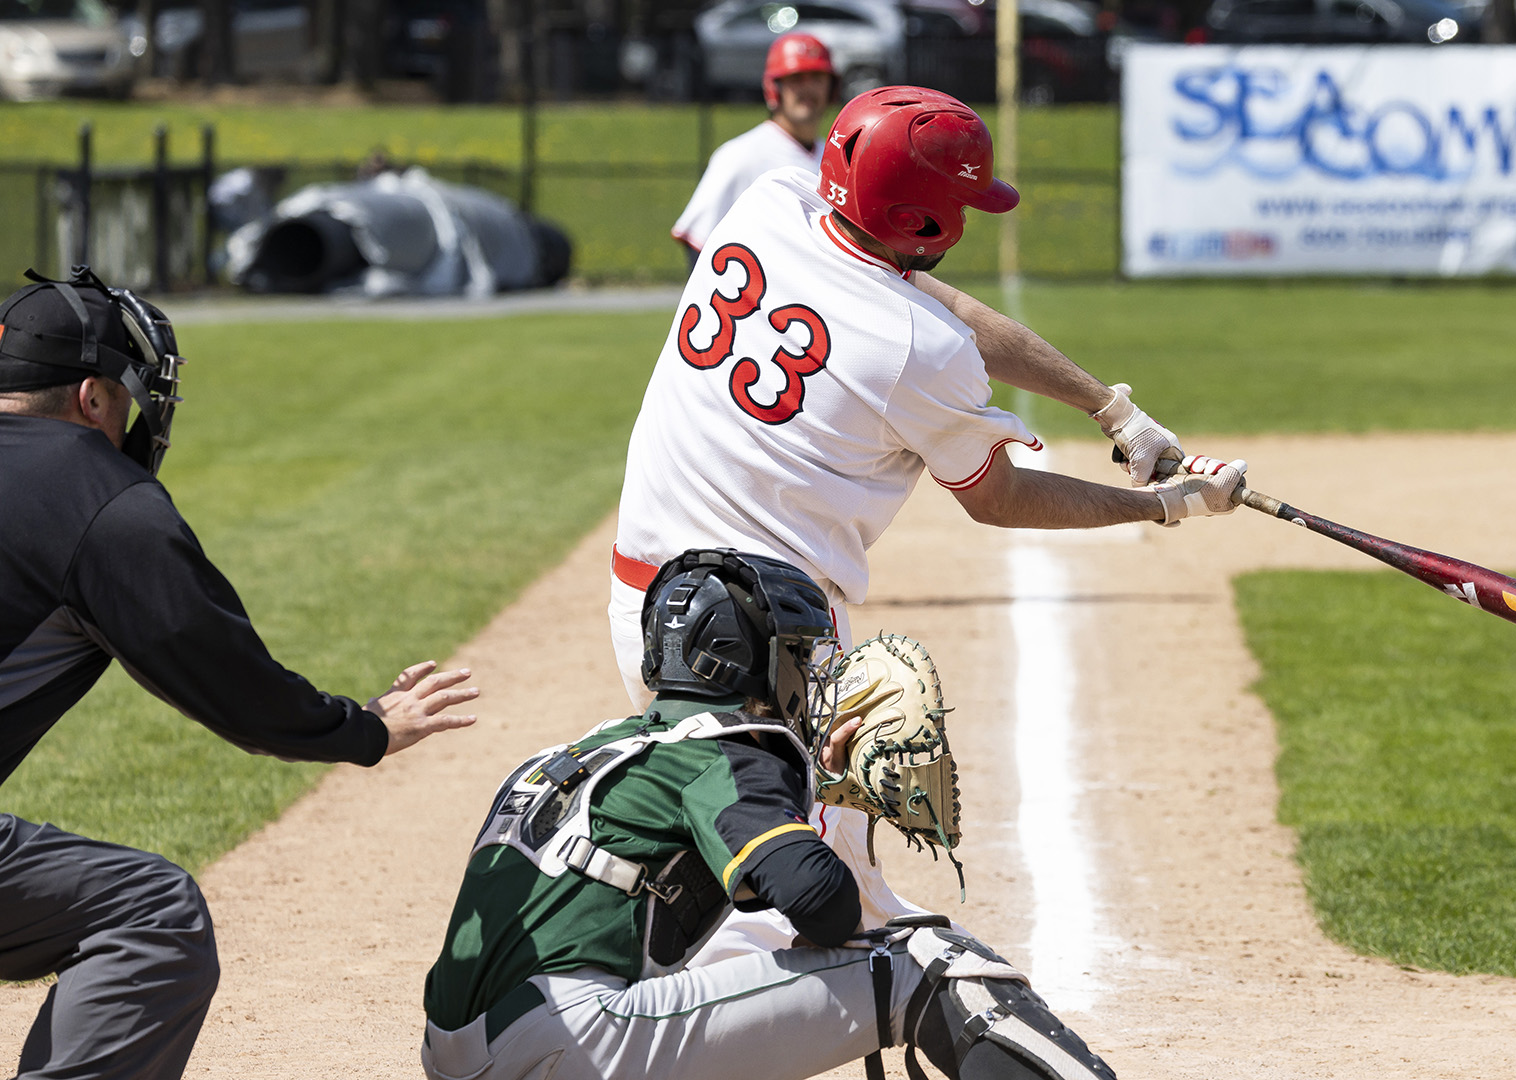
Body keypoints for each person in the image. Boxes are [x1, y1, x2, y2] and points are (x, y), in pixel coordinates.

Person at [611, 86, 1248, 958]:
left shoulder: (770, 204)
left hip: (645, 604)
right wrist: (1164, 505)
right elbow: (1000, 496)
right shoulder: (916, 352)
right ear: (925, 221)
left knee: (818, 868)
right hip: (761, 641)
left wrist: (1113, 411)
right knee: (782, 910)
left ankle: (851, 917)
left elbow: (948, 310)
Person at [0, 267, 479, 1080]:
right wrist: (364, 728)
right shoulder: (97, 496)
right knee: (151, 915)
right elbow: (222, 675)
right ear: (91, 398)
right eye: (128, 396)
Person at [422, 547, 1116, 1080]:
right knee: (927, 959)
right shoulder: (728, 754)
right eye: (796, 654)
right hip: (569, 1043)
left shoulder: (579, 752)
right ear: (743, 661)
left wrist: (808, 785)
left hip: (463, 1051)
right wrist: (813, 792)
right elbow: (823, 906)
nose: (807, 673)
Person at [670, 32, 836, 267]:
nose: (808, 88)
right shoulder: (741, 155)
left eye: (817, 78)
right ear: (774, 89)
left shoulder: (834, 159)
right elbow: (699, 241)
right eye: (797, 78)